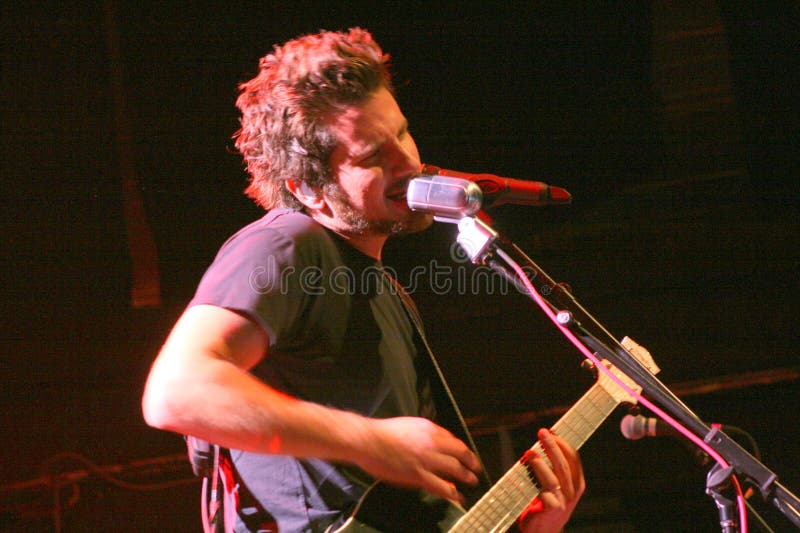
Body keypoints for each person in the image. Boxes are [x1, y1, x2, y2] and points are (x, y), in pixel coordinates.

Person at [142, 28, 585, 532]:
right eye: (373, 155)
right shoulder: (287, 244)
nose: (408, 162)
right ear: (309, 188)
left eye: (401, 133)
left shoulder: (381, 288)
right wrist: (372, 442)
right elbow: (175, 391)